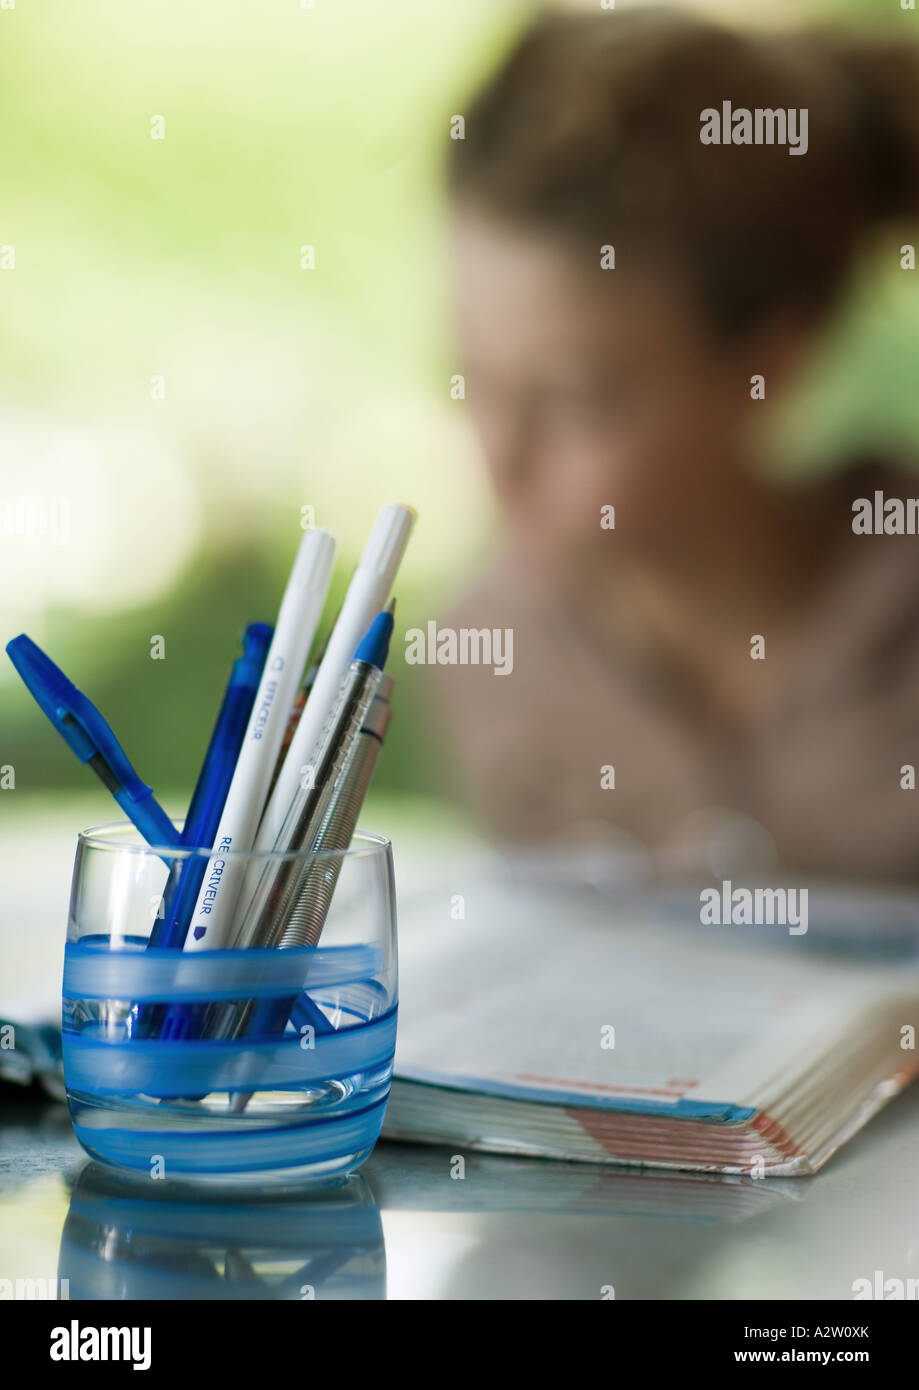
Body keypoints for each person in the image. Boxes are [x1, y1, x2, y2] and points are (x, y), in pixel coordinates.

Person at [436, 8, 919, 883]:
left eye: (573, 399)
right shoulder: (496, 652)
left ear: (773, 365)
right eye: (470, 377)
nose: (499, 455)